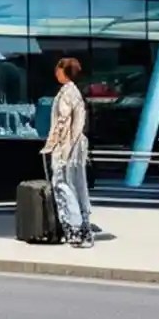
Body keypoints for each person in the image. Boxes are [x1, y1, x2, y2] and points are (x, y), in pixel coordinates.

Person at [41, 57, 94, 248]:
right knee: (78, 185)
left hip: (66, 145)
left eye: (58, 70)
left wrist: (52, 145)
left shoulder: (66, 94)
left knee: (63, 184)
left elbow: (63, 122)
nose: (56, 73)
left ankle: (75, 228)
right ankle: (84, 228)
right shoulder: (75, 92)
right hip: (77, 144)